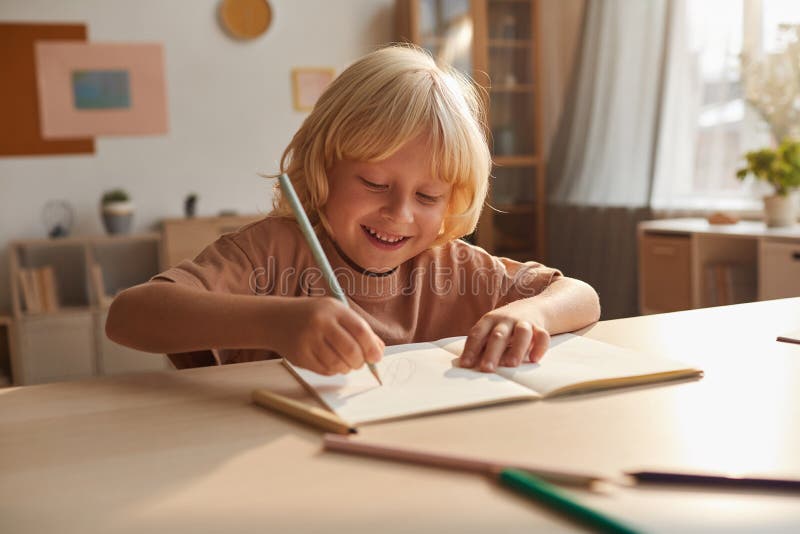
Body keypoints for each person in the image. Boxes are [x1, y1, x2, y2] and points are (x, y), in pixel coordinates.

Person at [106, 44, 600, 376]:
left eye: (428, 197)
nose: (400, 213)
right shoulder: (272, 253)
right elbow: (130, 315)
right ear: (325, 167)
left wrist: (529, 312)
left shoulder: (452, 266)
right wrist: (275, 323)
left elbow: (580, 296)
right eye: (374, 183)